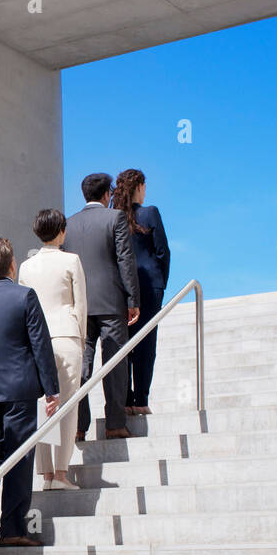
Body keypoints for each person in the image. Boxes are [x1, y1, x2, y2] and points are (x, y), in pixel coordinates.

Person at [0, 238, 60, 548]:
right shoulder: (24, 296)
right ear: (12, 265)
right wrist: (51, 389)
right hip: (19, 388)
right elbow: (40, 344)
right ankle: (14, 529)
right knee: (19, 456)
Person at [62, 173, 140, 442]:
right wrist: (133, 300)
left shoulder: (68, 224)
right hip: (111, 302)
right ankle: (115, 424)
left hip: (79, 306)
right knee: (115, 362)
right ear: (107, 194)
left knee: (81, 368)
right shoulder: (115, 218)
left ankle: (78, 427)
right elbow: (125, 260)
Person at [18, 209, 88, 491]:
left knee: (43, 407)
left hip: (37, 340)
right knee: (68, 406)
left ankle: (46, 475)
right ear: (61, 230)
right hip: (66, 335)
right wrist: (81, 339)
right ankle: (60, 473)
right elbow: (80, 304)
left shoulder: (26, 266)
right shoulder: (72, 260)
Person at [112, 168, 170, 415]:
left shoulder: (114, 217)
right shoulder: (150, 213)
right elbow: (162, 251)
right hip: (149, 285)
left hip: (121, 288)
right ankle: (141, 400)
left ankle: (125, 400)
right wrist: (161, 282)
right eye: (144, 186)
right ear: (139, 187)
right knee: (147, 342)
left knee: (124, 344)